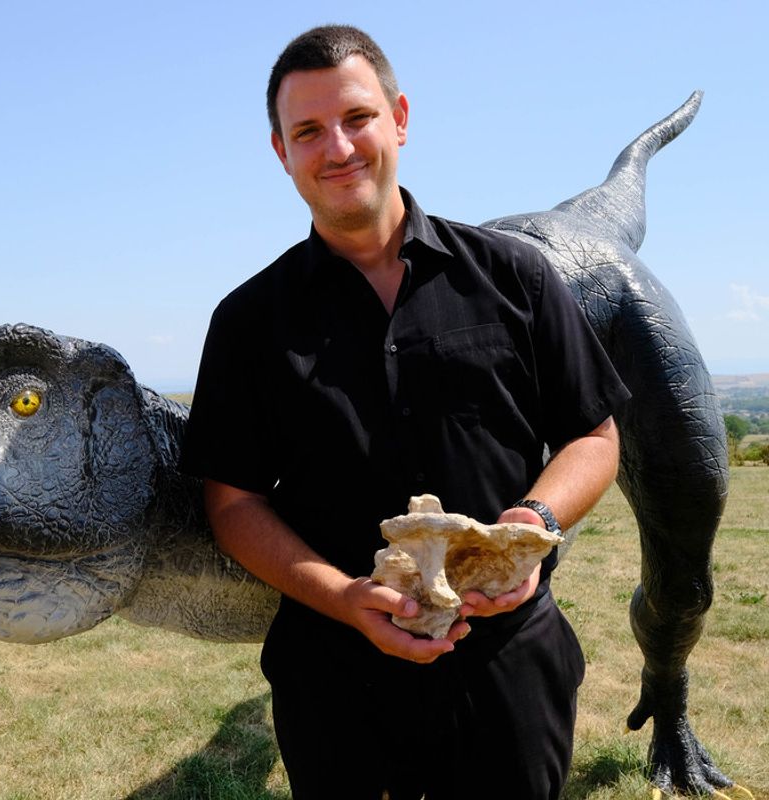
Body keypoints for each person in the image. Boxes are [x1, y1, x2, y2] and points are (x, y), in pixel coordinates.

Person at [179, 24, 630, 799]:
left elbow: (594, 434)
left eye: (357, 118)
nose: (338, 147)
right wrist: (345, 599)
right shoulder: (247, 321)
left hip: (508, 664)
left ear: (400, 118)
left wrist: (535, 520)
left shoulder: (516, 277)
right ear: (281, 152)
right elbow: (233, 502)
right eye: (308, 131)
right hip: (334, 678)